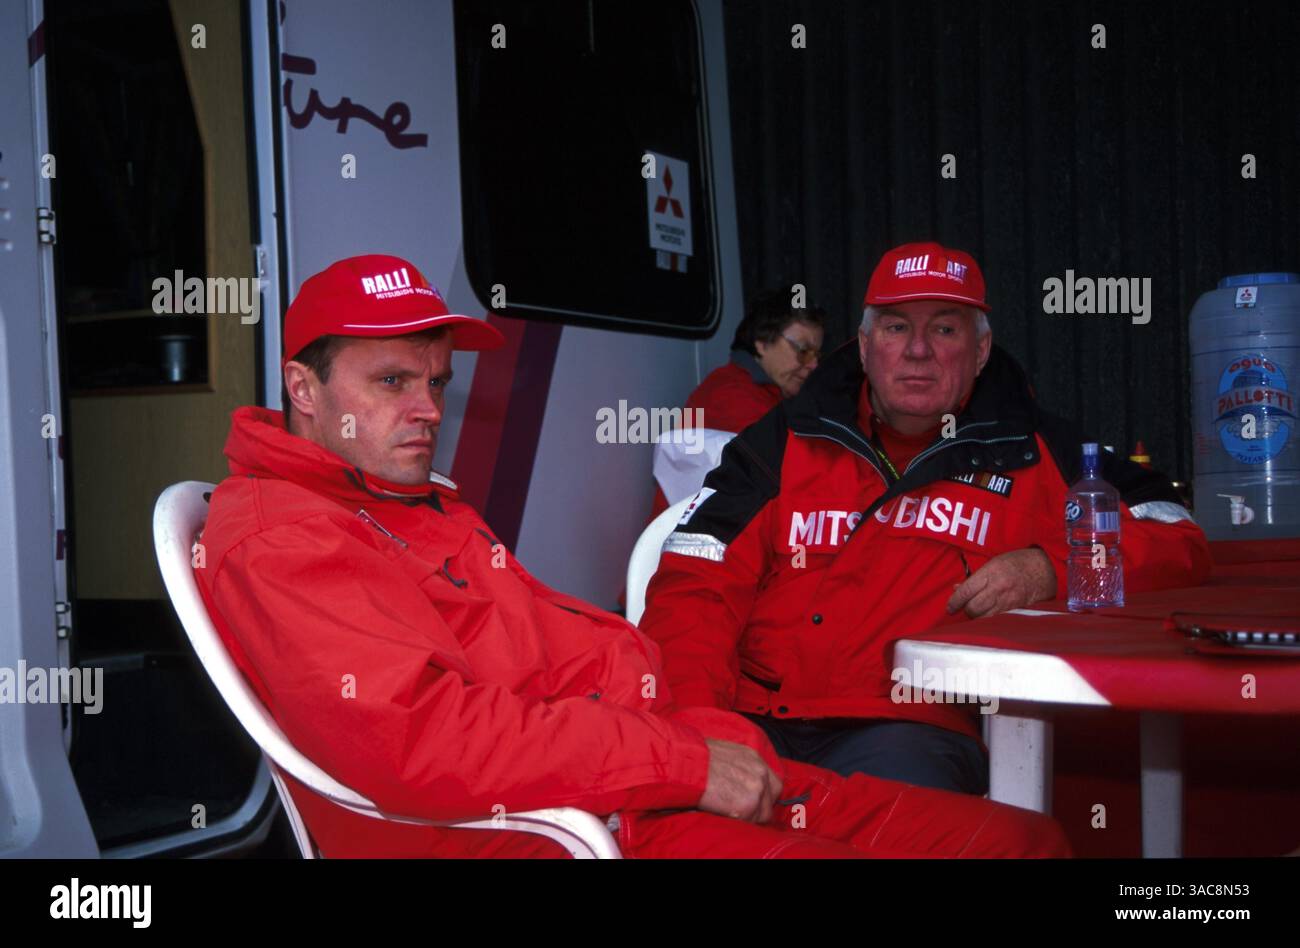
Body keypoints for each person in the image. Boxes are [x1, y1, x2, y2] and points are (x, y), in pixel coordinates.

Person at [195, 252, 1071, 858]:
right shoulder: (283, 534)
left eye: (435, 383)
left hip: (648, 773)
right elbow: (422, 738)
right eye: (392, 382)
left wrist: (707, 739)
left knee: (1022, 840)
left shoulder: (407, 502)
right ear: (302, 388)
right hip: (568, 828)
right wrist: (683, 763)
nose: (427, 408)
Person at [640, 241, 1213, 796]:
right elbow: (697, 580)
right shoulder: (786, 437)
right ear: (864, 347)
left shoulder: (1035, 448)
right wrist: (699, 729)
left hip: (907, 732)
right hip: (751, 719)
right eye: (895, 327)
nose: (918, 349)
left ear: (981, 351)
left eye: (944, 328)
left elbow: (1175, 534)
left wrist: (1054, 569)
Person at [650, 290, 826, 517]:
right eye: (803, 351)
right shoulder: (730, 395)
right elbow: (800, 472)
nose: (813, 365)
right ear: (762, 342)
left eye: (816, 355)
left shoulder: (768, 393)